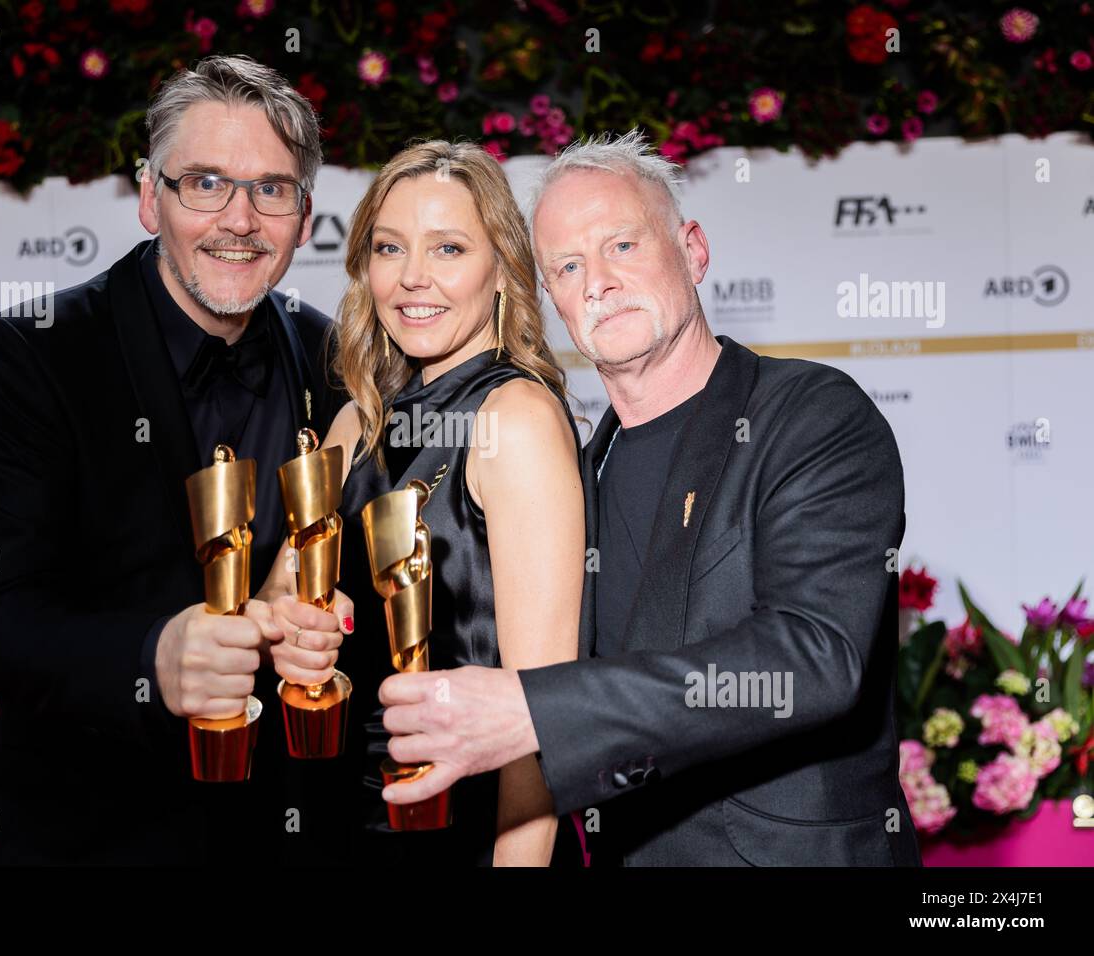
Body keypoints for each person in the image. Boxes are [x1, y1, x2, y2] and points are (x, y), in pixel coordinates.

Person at [374, 130, 922, 867]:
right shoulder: (577, 471)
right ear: (552, 299)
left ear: (692, 250)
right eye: (568, 265)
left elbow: (813, 660)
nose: (596, 281)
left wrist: (536, 711)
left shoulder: (811, 415)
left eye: (622, 246)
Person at [0, 54, 344, 864]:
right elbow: (1, 619)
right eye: (205, 183)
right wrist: (152, 658)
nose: (240, 218)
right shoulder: (34, 355)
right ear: (147, 198)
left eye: (271, 189)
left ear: (305, 219)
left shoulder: (332, 355)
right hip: (95, 836)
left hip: (289, 832)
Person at [259, 141, 585, 866]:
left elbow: (543, 716)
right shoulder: (355, 424)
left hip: (463, 835)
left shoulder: (515, 419)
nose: (412, 277)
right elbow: (272, 612)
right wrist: (285, 628)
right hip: (332, 818)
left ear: (501, 268)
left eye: (448, 248)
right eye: (389, 247)